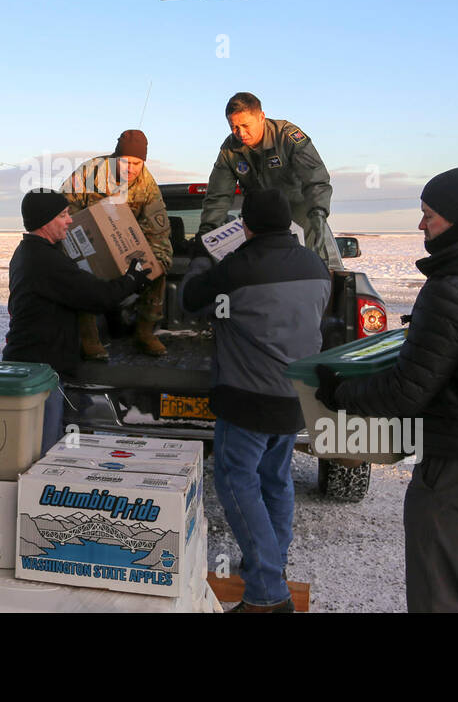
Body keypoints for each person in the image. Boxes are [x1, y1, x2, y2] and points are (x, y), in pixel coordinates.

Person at [314, 167, 458, 613]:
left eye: (430, 215)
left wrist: (340, 393)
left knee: (439, 596)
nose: (421, 225)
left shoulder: (451, 290)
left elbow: (407, 391)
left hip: (456, 471)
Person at [180, 188, 330, 613]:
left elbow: (190, 301)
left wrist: (198, 260)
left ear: (245, 225)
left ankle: (267, 592)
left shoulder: (238, 267)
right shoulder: (314, 264)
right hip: (295, 395)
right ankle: (273, 566)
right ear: (287, 224)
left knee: (234, 480)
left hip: (248, 396)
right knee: (275, 480)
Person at [3, 189, 151, 452]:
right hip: (40, 371)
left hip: (38, 363)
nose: (70, 220)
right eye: (63, 215)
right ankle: (38, 491)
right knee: (43, 450)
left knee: (49, 442)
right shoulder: (44, 260)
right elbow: (96, 296)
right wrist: (132, 281)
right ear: (45, 220)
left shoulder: (31, 252)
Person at [61, 130, 173, 358]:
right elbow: (63, 211)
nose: (131, 169)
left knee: (157, 265)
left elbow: (158, 230)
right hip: (87, 243)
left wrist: (157, 260)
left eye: (136, 163)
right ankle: (88, 336)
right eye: (125, 162)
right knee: (80, 273)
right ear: (115, 158)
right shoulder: (89, 172)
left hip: (124, 246)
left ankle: (144, 332)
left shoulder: (147, 185)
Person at [198, 92, 335, 266]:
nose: (240, 133)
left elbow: (315, 178)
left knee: (304, 267)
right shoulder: (230, 150)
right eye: (234, 127)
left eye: (246, 125)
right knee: (263, 271)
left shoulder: (287, 136)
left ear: (261, 117)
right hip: (259, 227)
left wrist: (318, 212)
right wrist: (207, 232)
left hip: (300, 220)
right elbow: (218, 196)